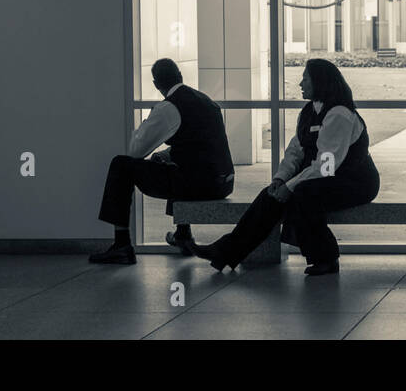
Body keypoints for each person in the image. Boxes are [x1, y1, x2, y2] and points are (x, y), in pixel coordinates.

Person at [191, 58, 379, 276]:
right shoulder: (310, 111)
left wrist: (290, 187)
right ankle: (224, 251)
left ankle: (326, 258)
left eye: (305, 79)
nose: (300, 84)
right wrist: (280, 180)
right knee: (269, 196)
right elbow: (295, 151)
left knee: (303, 193)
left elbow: (327, 165)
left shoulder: (339, 114)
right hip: (328, 177)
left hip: (356, 182)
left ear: (319, 82)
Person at [90, 58, 235, 264]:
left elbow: (135, 151)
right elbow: (199, 149)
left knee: (121, 165)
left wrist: (147, 122)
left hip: (197, 184)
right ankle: (182, 235)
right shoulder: (206, 101)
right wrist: (165, 154)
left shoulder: (168, 108)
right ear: (180, 76)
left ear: (156, 84)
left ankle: (121, 244)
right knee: (173, 163)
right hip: (223, 182)